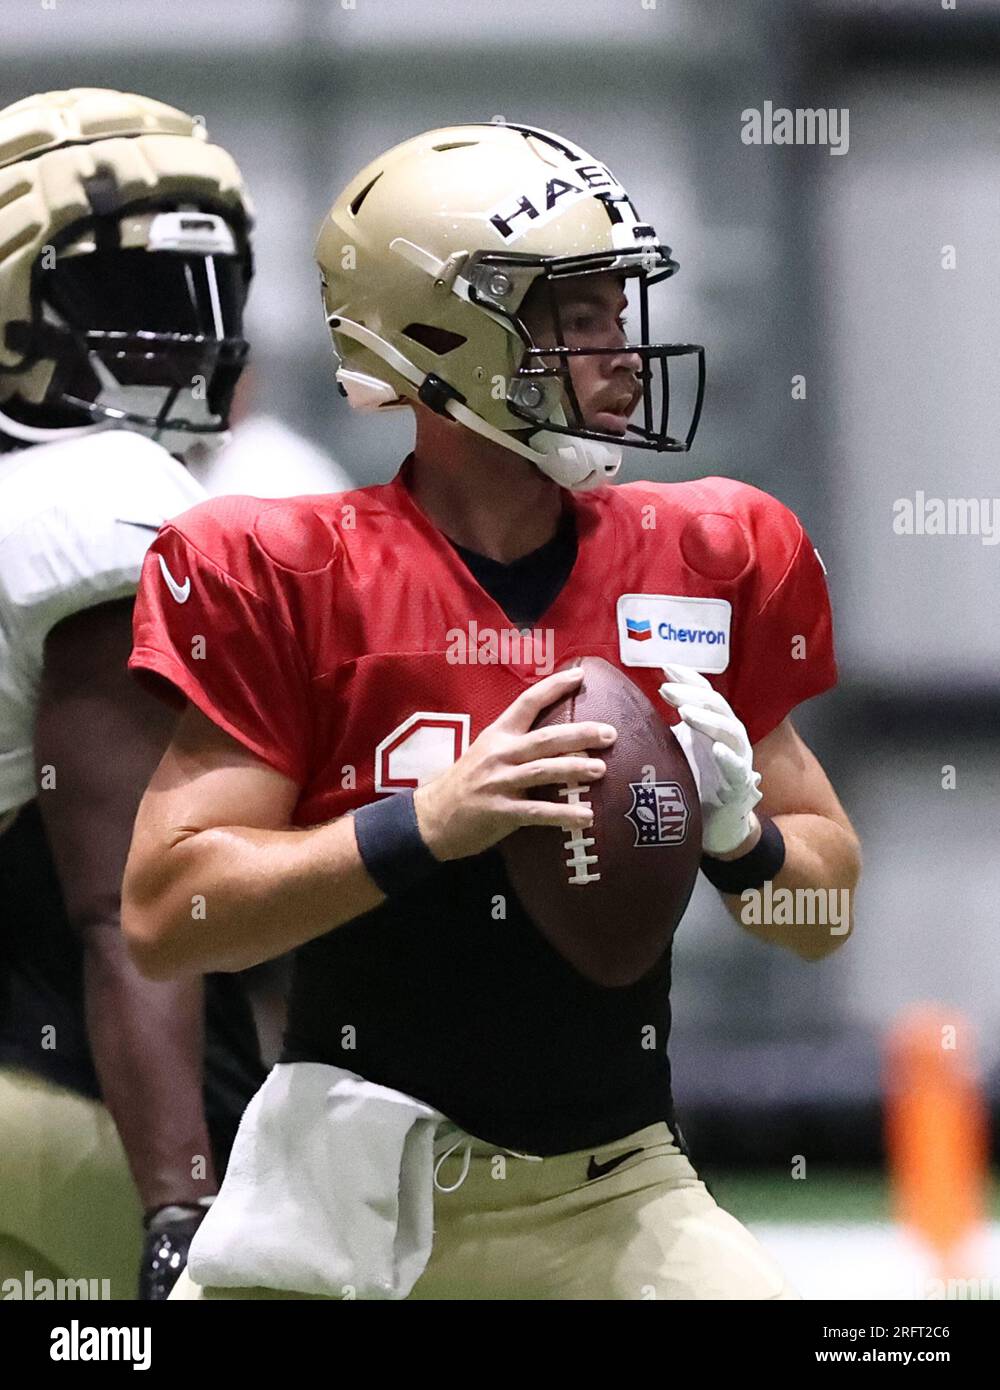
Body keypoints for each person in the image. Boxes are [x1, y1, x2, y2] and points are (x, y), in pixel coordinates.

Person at [124, 122, 861, 1300]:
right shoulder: (286, 566)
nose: (622, 353)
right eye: (577, 319)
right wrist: (427, 823)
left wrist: (740, 840)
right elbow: (169, 911)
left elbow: (822, 908)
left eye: (621, 312)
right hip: (340, 1197)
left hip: (614, 1194)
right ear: (443, 336)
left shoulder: (709, 553)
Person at [0, 87, 266, 1299]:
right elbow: (128, 909)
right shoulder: (101, 497)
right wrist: (183, 1203)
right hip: (76, 1115)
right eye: (140, 298)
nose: (191, 337)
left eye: (209, 296)